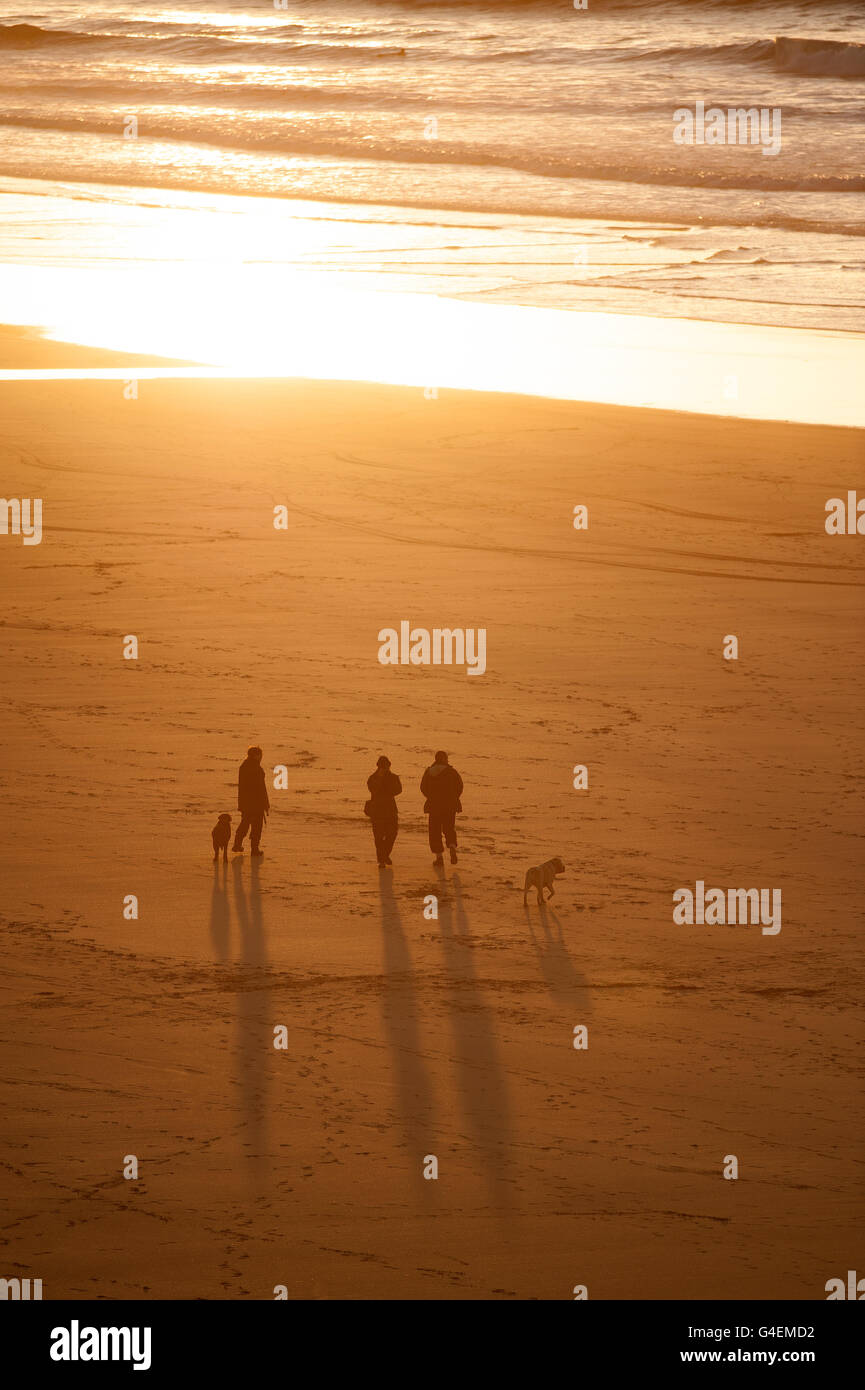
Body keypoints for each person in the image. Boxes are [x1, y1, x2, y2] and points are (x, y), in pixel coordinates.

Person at [420, 750, 463, 867]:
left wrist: (431, 797)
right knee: (449, 828)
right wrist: (453, 798)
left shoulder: (429, 772)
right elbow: (459, 786)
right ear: (445, 759)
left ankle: (439, 858)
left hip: (434, 806)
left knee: (435, 832)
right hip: (449, 806)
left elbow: (423, 787)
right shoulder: (452, 772)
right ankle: (452, 846)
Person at [232, 746, 270, 856]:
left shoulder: (244, 766)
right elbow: (261, 788)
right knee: (256, 827)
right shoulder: (255, 768)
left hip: (245, 802)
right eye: (260, 755)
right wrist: (265, 803)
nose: (261, 757)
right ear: (256, 755)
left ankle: (237, 844)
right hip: (256, 803)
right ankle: (254, 849)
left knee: (245, 823)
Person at [366, 755, 402, 868]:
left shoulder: (393, 777)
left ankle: (384, 855)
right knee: (379, 836)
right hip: (378, 811)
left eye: (386, 766)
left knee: (391, 835)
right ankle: (382, 860)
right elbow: (373, 789)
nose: (385, 768)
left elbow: (398, 790)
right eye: (383, 766)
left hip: (388, 810)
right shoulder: (373, 778)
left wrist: (385, 782)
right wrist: (381, 779)